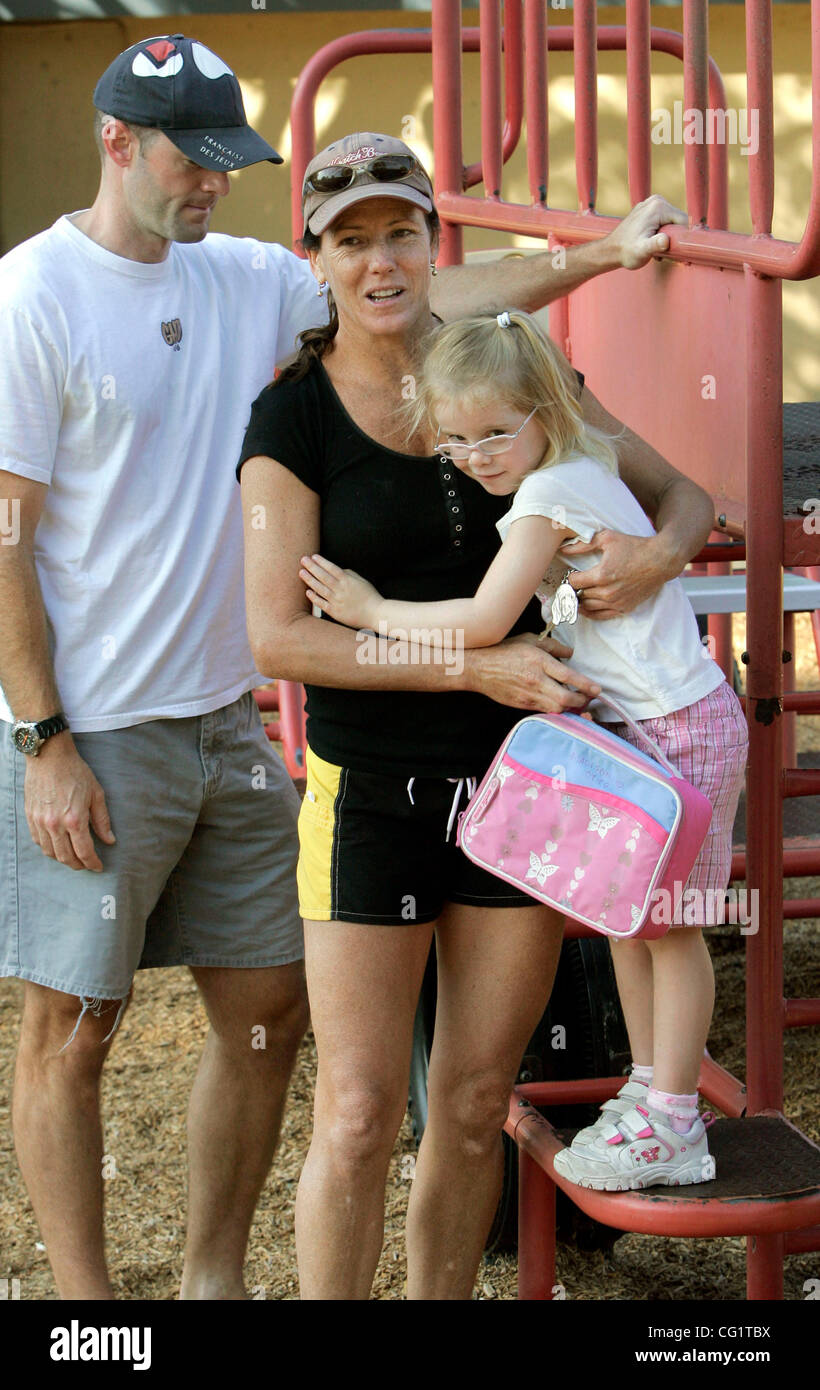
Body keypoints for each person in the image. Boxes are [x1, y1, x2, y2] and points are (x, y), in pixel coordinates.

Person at [0, 39, 699, 1301]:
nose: (214, 181)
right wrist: (37, 731)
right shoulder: (53, 302)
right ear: (116, 143)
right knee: (115, 1037)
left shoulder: (308, 304)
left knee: (370, 1059)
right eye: (191, 156)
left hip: (359, 750)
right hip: (128, 727)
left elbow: (451, 296)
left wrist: (595, 258)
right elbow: (29, 542)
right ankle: (85, 1317)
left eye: (402, 234)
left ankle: (218, 1286)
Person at [237, 136, 718, 1299]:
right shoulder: (291, 417)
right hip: (373, 793)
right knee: (355, 1113)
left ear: (431, 245)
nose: (380, 261)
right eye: (351, 242)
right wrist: (478, 668)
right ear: (320, 259)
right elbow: (282, 638)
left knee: (468, 1104)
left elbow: (688, 495)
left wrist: (655, 560)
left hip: (535, 794)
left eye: (400, 232)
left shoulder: (511, 373)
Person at [299, 308, 749, 1193]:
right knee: (633, 922)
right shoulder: (574, 466)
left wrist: (370, 611)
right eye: (457, 440)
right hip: (649, 724)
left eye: (497, 432)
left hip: (677, 722)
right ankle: (651, 1090)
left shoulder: (547, 495)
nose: (477, 456)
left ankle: (676, 1121)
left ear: (546, 407)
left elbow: (481, 623)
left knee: (675, 931)